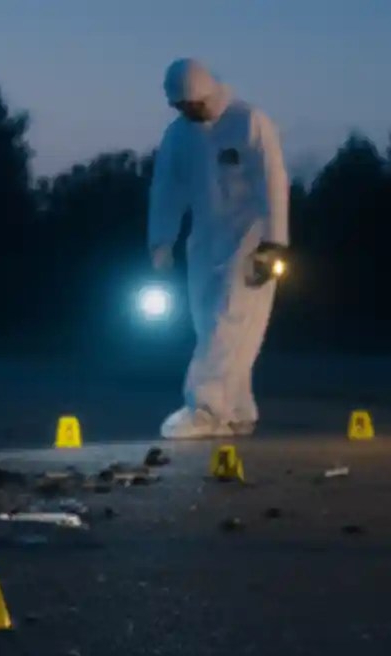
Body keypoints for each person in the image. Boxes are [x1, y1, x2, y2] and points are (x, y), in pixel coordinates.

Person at [146, 58, 290, 439]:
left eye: (190, 104)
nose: (186, 111)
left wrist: (274, 242)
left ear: (206, 93)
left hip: (249, 240)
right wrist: (162, 238)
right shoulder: (179, 135)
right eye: (179, 107)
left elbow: (273, 180)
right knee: (212, 325)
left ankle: (205, 408)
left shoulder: (249, 121)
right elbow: (167, 188)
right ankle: (238, 409)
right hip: (205, 241)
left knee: (230, 322)